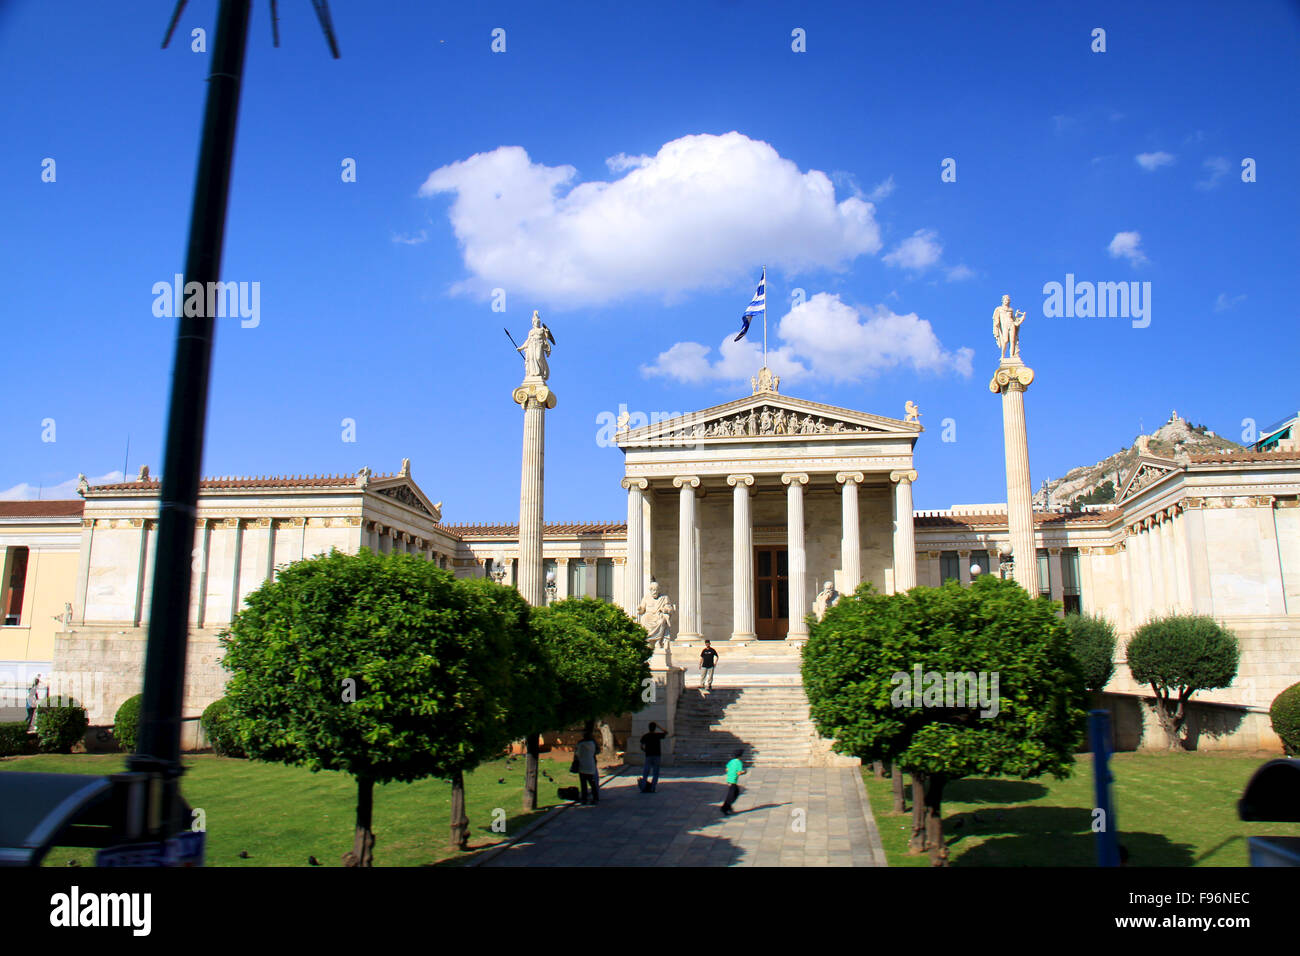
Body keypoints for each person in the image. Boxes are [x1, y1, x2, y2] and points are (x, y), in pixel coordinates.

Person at [639, 721, 668, 791]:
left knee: (646, 772)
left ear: (648, 728)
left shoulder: (645, 736)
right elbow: (666, 732)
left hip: (648, 755)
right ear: (655, 728)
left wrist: (645, 751)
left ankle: (643, 787)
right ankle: (652, 788)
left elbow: (641, 746)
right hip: (657, 755)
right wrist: (658, 726)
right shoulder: (657, 735)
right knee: (656, 772)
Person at [576, 729, 599, 805]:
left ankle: (584, 798)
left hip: (582, 765)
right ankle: (595, 797)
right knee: (592, 783)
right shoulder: (593, 743)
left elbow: (577, 754)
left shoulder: (580, 744)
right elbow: (596, 752)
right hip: (591, 764)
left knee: (583, 784)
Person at [720, 748, 746, 815]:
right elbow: (739, 773)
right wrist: (744, 772)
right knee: (732, 795)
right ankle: (725, 808)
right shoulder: (739, 763)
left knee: (734, 793)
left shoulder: (731, 761)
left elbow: (727, 769)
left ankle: (728, 807)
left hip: (729, 779)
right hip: (733, 780)